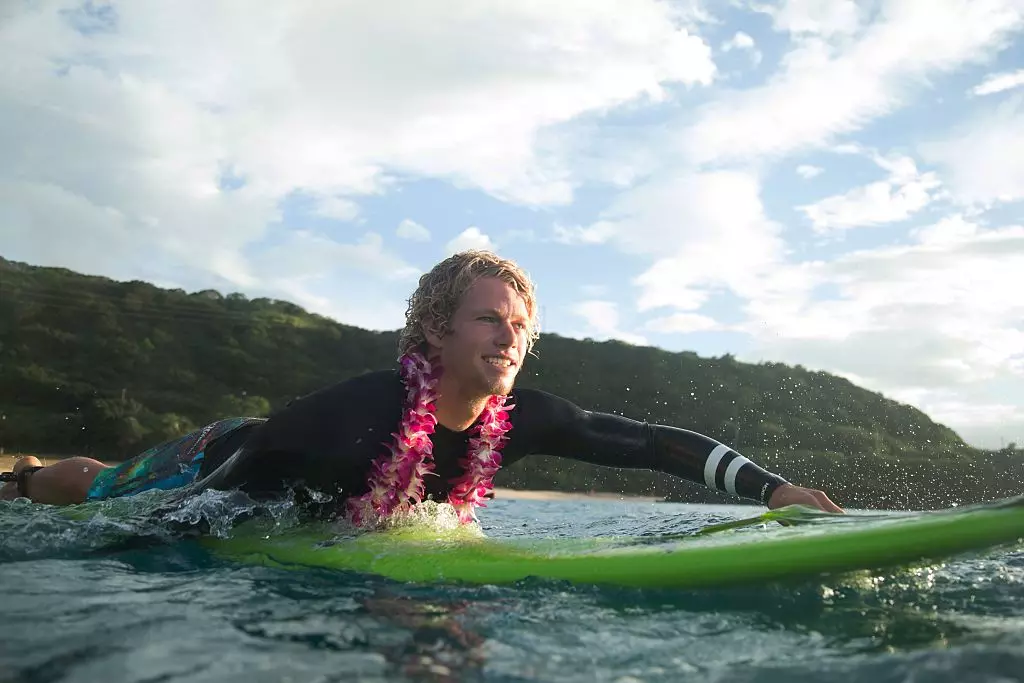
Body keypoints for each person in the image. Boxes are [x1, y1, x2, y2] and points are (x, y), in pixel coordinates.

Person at [1, 251, 843, 524]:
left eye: (518, 325)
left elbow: (654, 442)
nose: (509, 335)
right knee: (107, 487)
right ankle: (26, 474)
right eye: (487, 319)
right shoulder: (348, 415)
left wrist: (776, 491)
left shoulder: (525, 419)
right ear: (436, 330)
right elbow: (201, 507)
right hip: (227, 452)